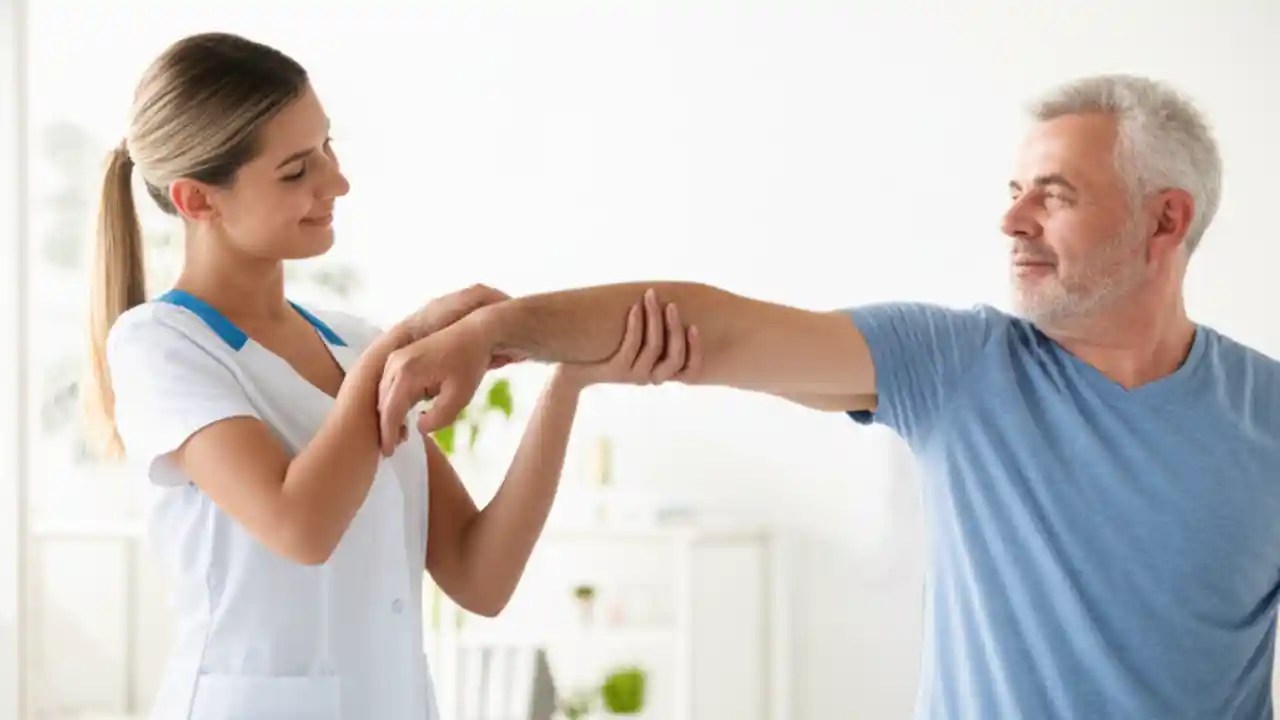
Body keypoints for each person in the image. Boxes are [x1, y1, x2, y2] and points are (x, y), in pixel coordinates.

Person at [378, 75, 1280, 718]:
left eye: (1053, 197)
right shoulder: (962, 365)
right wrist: (499, 332)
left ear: (1167, 219)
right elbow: (713, 326)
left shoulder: (1267, 414)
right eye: (1013, 193)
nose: (1011, 221)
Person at [85, 32, 697, 720]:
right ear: (199, 202)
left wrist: (569, 383)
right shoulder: (161, 345)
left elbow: (480, 576)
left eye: (327, 147)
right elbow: (299, 527)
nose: (336, 182)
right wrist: (405, 344)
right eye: (295, 171)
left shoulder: (354, 343)